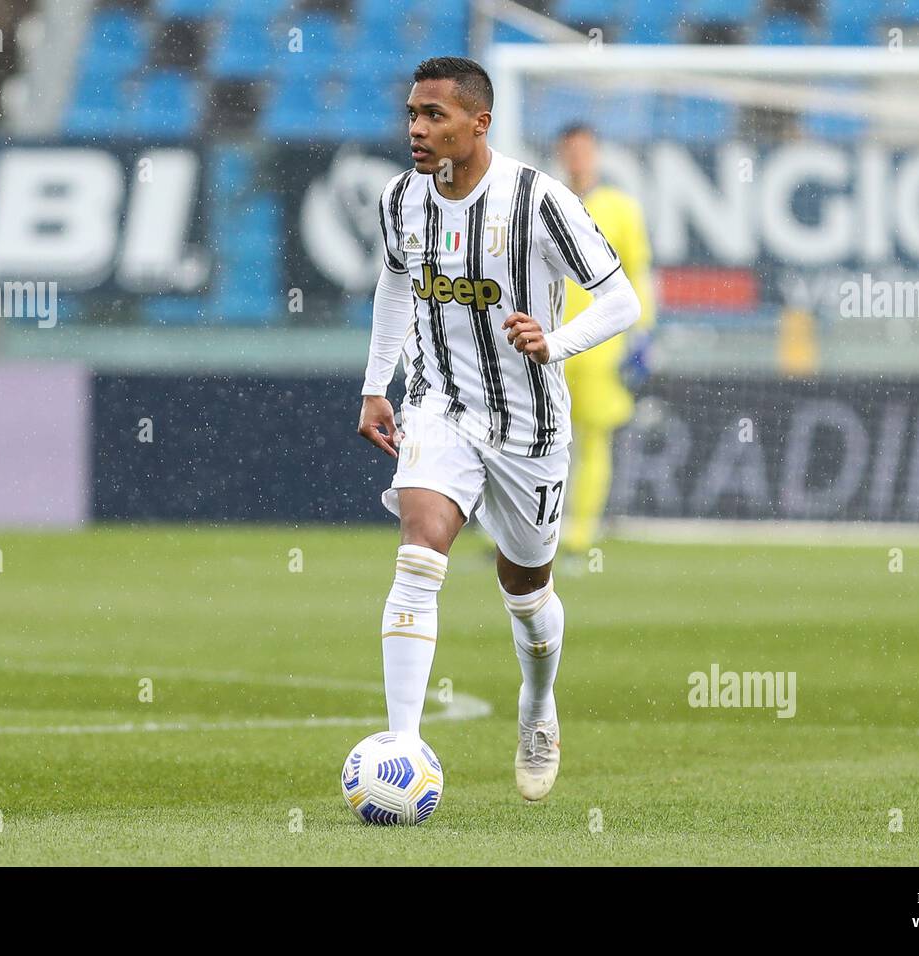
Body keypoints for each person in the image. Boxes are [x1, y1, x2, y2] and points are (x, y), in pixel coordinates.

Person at [357, 56, 641, 801]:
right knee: (420, 546)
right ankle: (403, 744)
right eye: (412, 114)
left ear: (478, 123)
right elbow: (393, 280)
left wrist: (557, 342)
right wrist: (374, 385)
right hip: (438, 405)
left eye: (435, 116)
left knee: (526, 589)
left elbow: (620, 302)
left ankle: (538, 706)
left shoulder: (538, 201)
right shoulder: (400, 200)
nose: (417, 129)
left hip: (529, 427)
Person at [554, 123, 656, 570]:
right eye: (570, 151)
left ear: (595, 154)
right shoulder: (548, 202)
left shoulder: (621, 208)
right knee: (539, 442)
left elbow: (639, 273)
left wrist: (643, 334)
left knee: (593, 440)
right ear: (562, 154)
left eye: (584, 151)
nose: (578, 158)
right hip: (550, 341)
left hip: (601, 345)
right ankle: (529, 540)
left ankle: (578, 539)